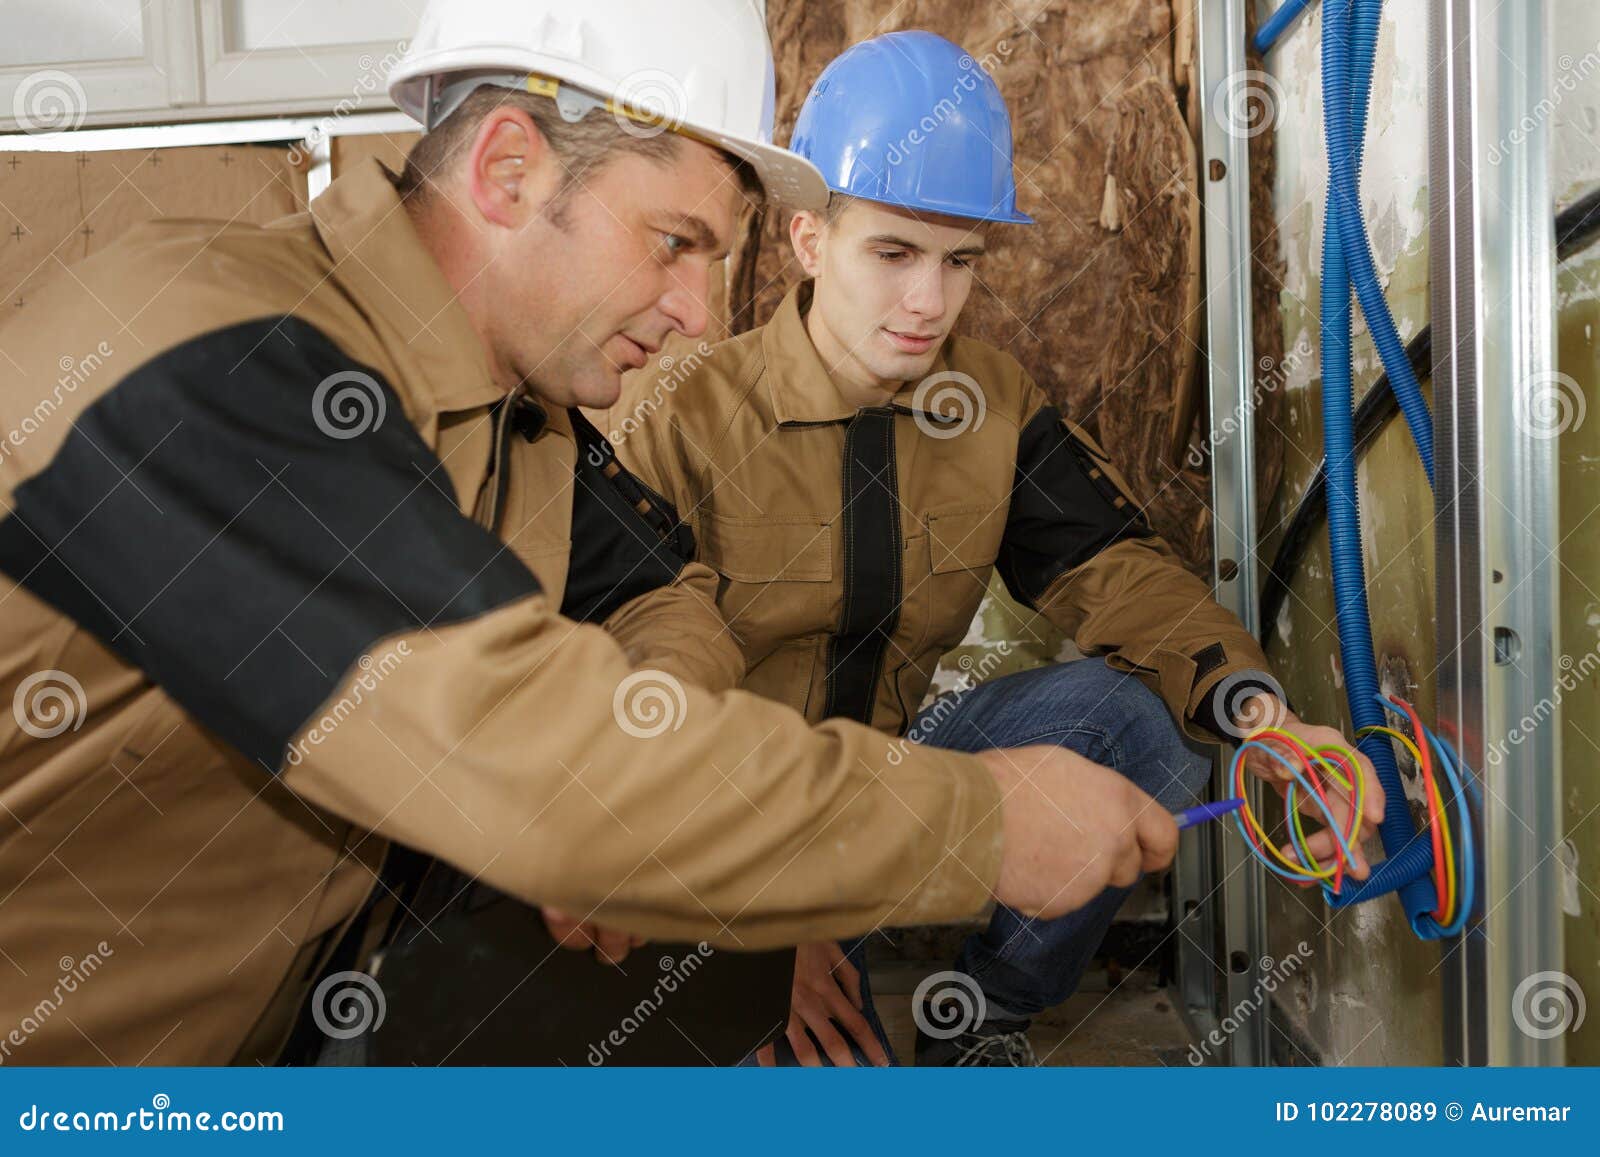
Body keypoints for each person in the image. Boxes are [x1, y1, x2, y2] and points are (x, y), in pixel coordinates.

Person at [0, 3, 1183, 1066]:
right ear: (510, 170)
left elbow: (660, 589)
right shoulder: (210, 358)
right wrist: (981, 820)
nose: (697, 317)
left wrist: (637, 766)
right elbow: (537, 754)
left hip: (293, 1024)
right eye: (674, 244)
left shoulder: (524, 416)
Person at [607, 30, 1387, 1067]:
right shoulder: (678, 414)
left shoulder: (987, 402)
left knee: (1134, 718)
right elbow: (627, 720)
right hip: (718, 833)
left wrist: (1264, 719)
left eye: (958, 262)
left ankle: (983, 1015)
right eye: (891, 253)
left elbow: (1116, 573)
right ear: (806, 242)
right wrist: (752, 929)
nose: (929, 302)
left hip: (897, 798)